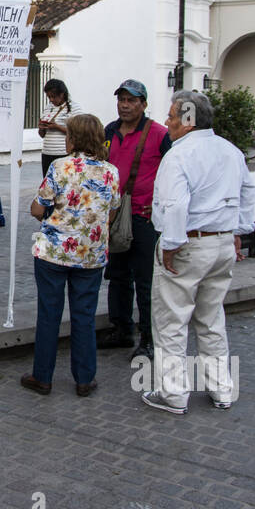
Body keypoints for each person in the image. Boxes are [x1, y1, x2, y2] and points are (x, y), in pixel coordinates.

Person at [142, 90, 255, 415]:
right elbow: (250, 189)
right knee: (211, 317)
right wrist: (238, 229)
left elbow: (176, 204)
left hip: (189, 243)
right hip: (221, 242)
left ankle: (173, 394)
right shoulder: (230, 150)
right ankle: (222, 389)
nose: (167, 122)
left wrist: (170, 244)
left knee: (171, 320)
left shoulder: (179, 155)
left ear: (188, 120)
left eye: (171, 116)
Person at [23, 114, 120, 397]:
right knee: (84, 316)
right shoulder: (111, 171)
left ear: (73, 138)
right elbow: (111, 211)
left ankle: (42, 377)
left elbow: (38, 209)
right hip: (90, 255)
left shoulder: (59, 166)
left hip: (53, 253)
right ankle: (84, 379)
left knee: (49, 314)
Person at [98, 80, 173, 360]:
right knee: (117, 276)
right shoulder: (109, 131)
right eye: (122, 100)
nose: (125, 105)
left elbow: (173, 172)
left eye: (131, 100)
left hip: (144, 217)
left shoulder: (159, 134)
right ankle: (121, 328)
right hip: (115, 215)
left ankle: (150, 338)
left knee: (146, 280)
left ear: (144, 104)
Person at [38, 78, 81, 174]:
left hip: (63, 153)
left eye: (53, 97)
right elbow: (42, 135)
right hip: (47, 152)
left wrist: (57, 127)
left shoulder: (74, 108)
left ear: (62, 94)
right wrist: (41, 128)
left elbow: (79, 132)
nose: (51, 100)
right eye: (49, 97)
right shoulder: (48, 108)